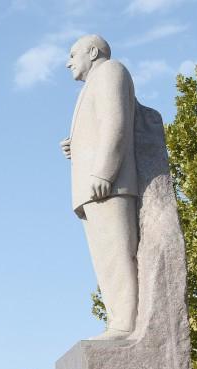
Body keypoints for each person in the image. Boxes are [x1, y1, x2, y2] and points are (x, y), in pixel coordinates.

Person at [60, 34, 140, 339]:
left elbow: (115, 123)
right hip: (94, 188)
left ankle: (125, 323)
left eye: (72, 54)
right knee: (105, 260)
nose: (68, 62)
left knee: (117, 255)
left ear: (92, 52)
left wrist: (104, 173)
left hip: (109, 185)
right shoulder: (93, 83)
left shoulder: (110, 71)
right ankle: (118, 319)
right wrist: (75, 146)